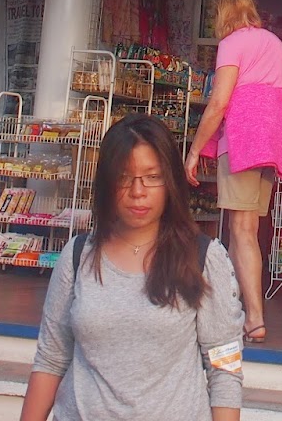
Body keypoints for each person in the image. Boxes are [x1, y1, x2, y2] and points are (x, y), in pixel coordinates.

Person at [22, 114, 244, 421]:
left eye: (152, 176)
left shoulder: (204, 258)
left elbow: (225, 368)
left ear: (171, 182)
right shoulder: (77, 256)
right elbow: (50, 358)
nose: (138, 191)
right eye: (125, 177)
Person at [183, 0, 282, 345]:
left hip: (244, 138)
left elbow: (220, 102)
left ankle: (253, 318)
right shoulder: (273, 43)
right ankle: (241, 311)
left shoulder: (232, 44)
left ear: (222, 14)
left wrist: (194, 150)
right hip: (273, 140)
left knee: (242, 232)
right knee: (244, 228)